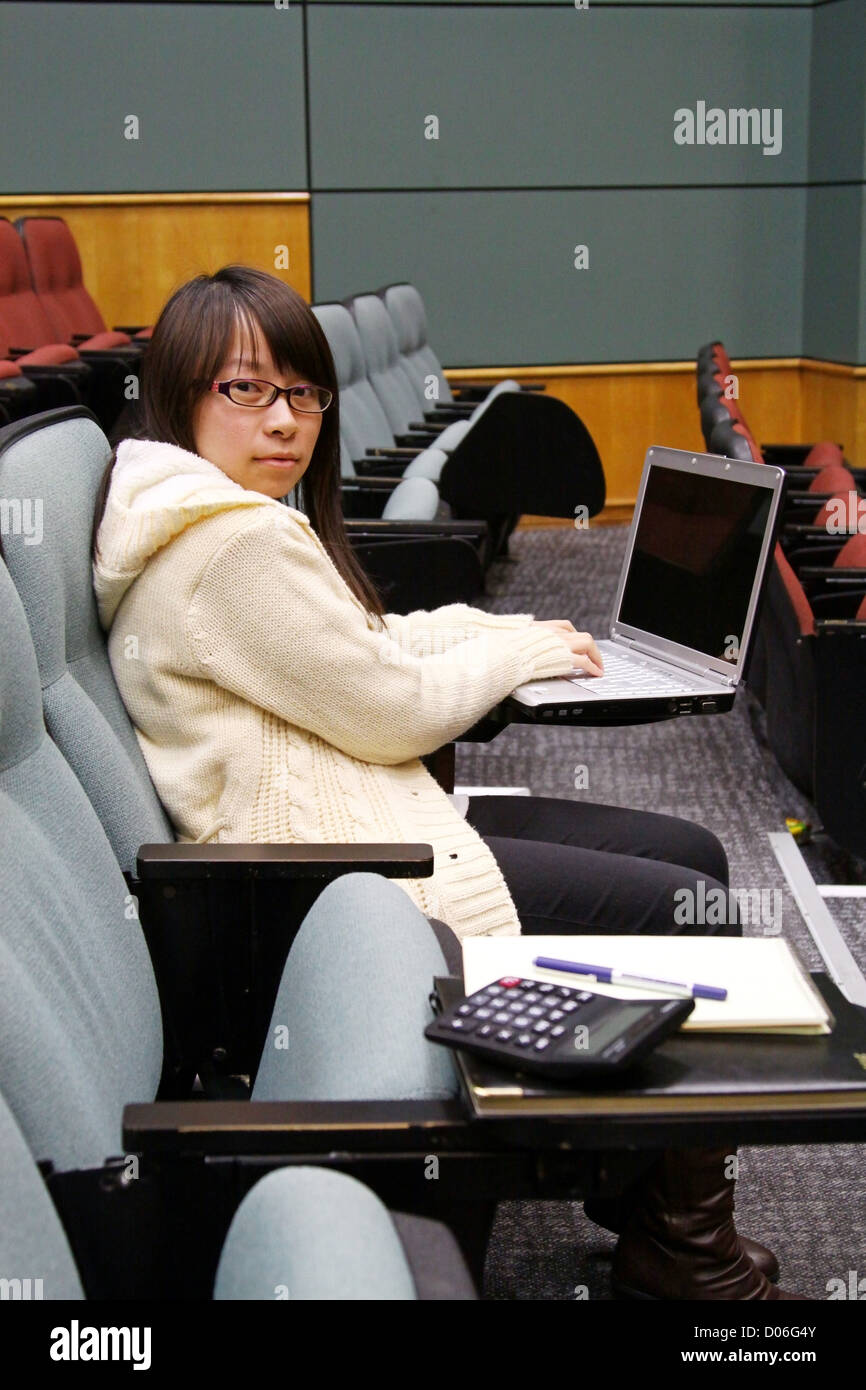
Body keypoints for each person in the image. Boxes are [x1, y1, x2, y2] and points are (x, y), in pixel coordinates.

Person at [91, 265, 803, 1300]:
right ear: (179, 398)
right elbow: (388, 704)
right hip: (341, 880)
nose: (284, 420)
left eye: (302, 391)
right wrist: (513, 662)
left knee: (690, 858)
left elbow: (361, 644)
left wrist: (508, 632)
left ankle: (647, 1198)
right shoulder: (229, 546)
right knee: (674, 905)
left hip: (344, 836)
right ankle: (689, 1259)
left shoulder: (201, 521)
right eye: (244, 390)